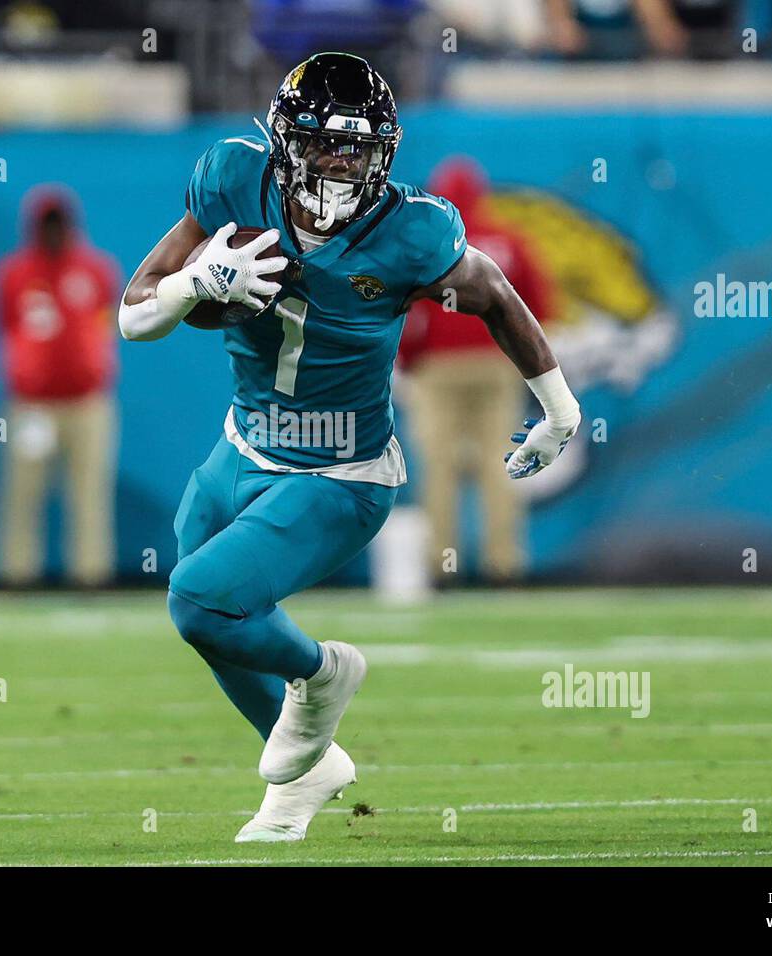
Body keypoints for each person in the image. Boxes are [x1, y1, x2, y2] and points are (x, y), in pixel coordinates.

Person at [118, 53, 580, 842]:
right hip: (245, 442)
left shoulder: (411, 230)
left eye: (358, 148)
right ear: (283, 142)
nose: (341, 162)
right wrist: (196, 284)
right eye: (325, 144)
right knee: (209, 603)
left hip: (341, 469)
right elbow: (133, 315)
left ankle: (323, 674)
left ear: (384, 153)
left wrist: (559, 410)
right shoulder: (233, 178)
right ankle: (308, 775)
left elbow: (496, 293)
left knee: (198, 598)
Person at [399, 156, 557, 585]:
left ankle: (441, 565)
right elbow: (538, 312)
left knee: (439, 467)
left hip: (437, 368)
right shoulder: (509, 240)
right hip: (496, 362)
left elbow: (404, 312)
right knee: (502, 464)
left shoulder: (424, 243)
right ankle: (504, 566)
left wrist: (408, 362)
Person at [0, 186, 119, 587]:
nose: (53, 232)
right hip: (32, 405)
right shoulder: (13, 274)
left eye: (58, 224)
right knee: (23, 494)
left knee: (88, 494)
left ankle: (90, 576)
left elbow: (107, 325)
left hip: (86, 402)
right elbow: (6, 326)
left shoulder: (97, 270)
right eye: (46, 224)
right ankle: (16, 576)